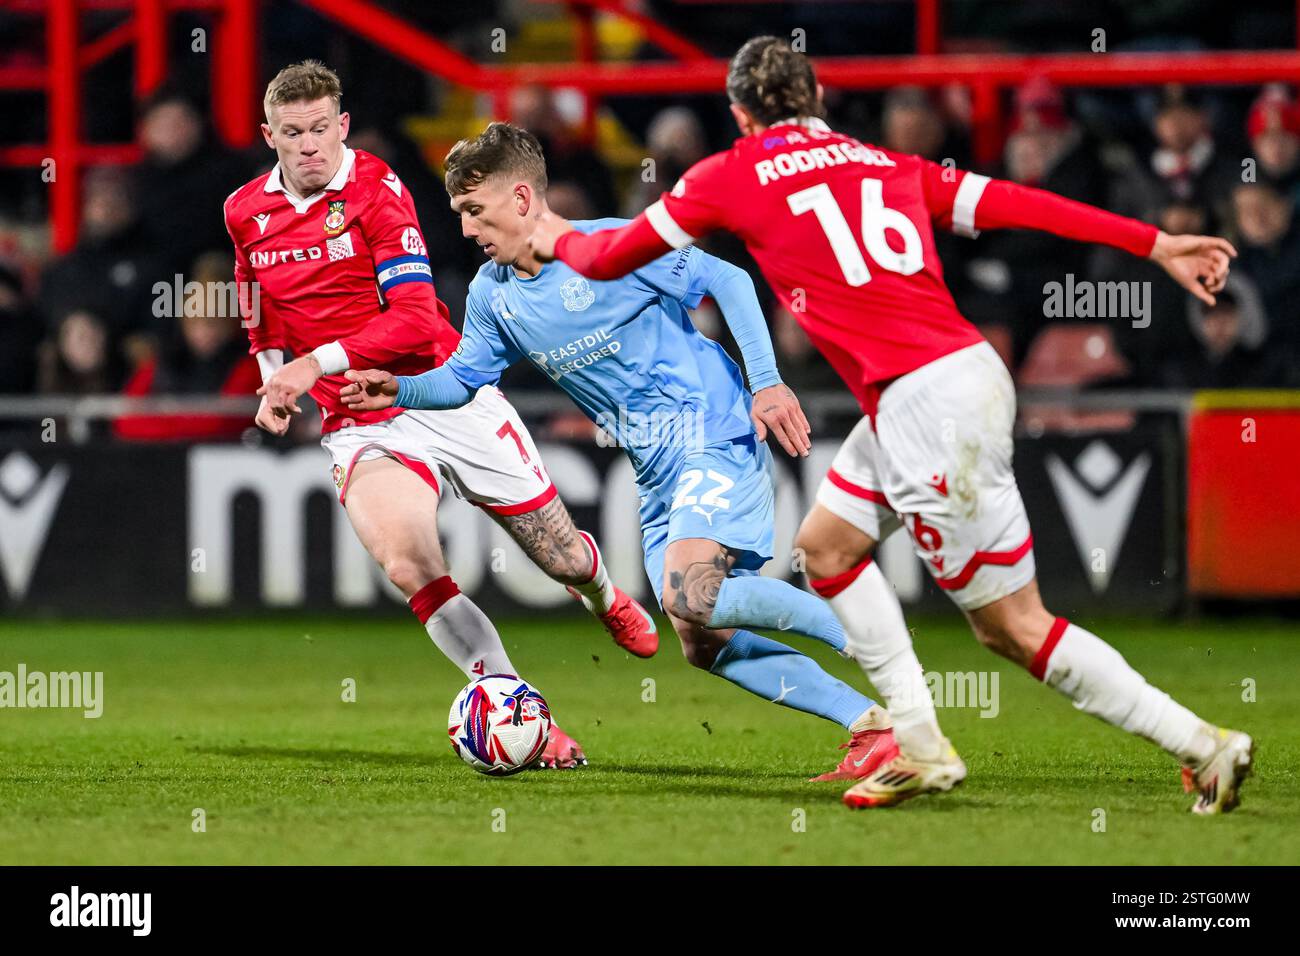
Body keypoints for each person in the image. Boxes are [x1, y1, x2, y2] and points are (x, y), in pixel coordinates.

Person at [528, 36, 1254, 814]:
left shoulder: (728, 176)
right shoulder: (882, 164)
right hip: (959, 374)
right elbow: (1020, 202)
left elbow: (607, 259)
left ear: (740, 114)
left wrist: (554, 237)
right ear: (818, 100)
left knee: (1013, 628)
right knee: (825, 548)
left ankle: (1201, 745)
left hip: (924, 406)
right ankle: (918, 743)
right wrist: (1155, 243)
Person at [341, 122, 900, 783]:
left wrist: (767, 381)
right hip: (656, 470)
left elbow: (728, 279)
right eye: (460, 214)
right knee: (701, 639)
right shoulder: (495, 293)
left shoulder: (611, 246)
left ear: (522, 201)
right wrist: (396, 389)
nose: (465, 230)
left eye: (476, 212)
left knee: (693, 594)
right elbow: (464, 379)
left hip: (711, 433)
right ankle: (875, 728)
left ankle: (880, 644)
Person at [226, 61, 657, 772]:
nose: (309, 146)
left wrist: (313, 365)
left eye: (321, 129)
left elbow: (415, 317)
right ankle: (519, 711)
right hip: (359, 420)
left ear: (344, 126)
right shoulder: (244, 212)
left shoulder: (376, 190)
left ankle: (602, 594)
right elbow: (257, 307)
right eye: (293, 133)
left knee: (561, 556)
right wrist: (277, 381)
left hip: (441, 390)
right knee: (408, 563)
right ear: (268, 134)